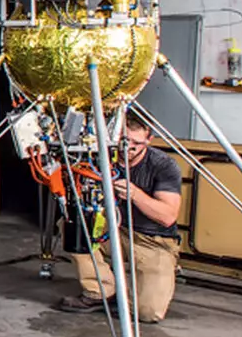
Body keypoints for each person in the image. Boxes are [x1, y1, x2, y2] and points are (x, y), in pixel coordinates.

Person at [57, 115, 182, 323]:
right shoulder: (98, 157)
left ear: (149, 140)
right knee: (74, 226)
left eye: (136, 144)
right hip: (114, 229)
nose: (128, 148)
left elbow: (167, 216)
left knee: (148, 313)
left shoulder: (163, 165)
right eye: (123, 141)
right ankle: (100, 290)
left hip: (152, 240)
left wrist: (135, 194)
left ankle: (159, 272)